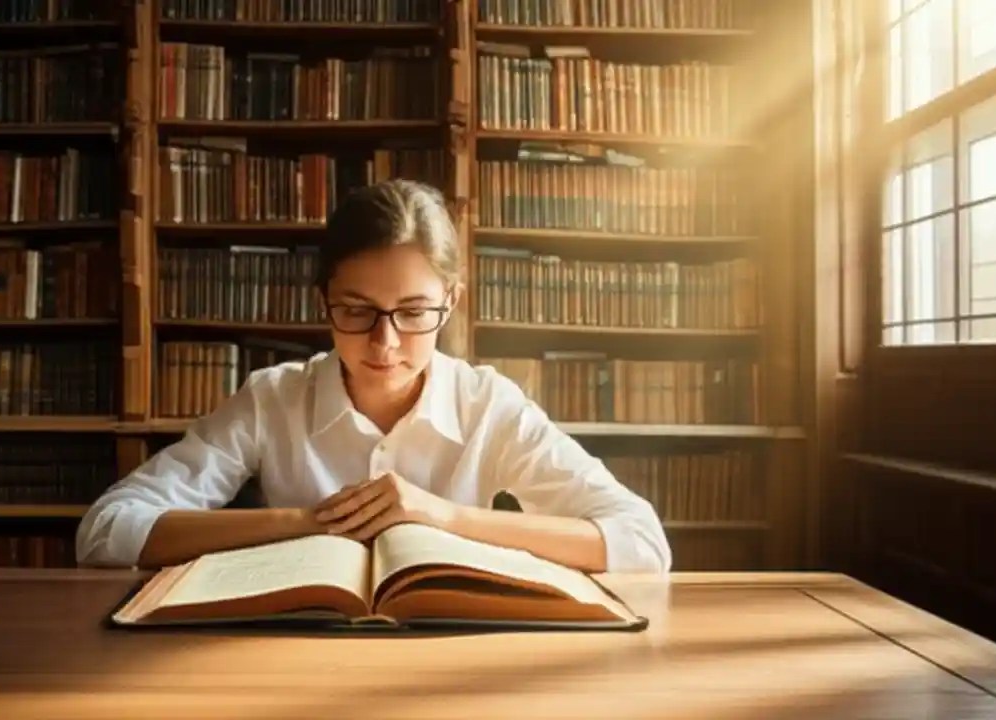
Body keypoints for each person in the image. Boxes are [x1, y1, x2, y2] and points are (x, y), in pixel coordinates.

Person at [76, 179, 671, 574]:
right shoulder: (274, 398)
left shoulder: (487, 403)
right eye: (356, 310)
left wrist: (443, 517)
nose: (384, 343)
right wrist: (307, 524)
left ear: (452, 302)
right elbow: (105, 531)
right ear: (324, 302)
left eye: (413, 313)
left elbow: (642, 543)